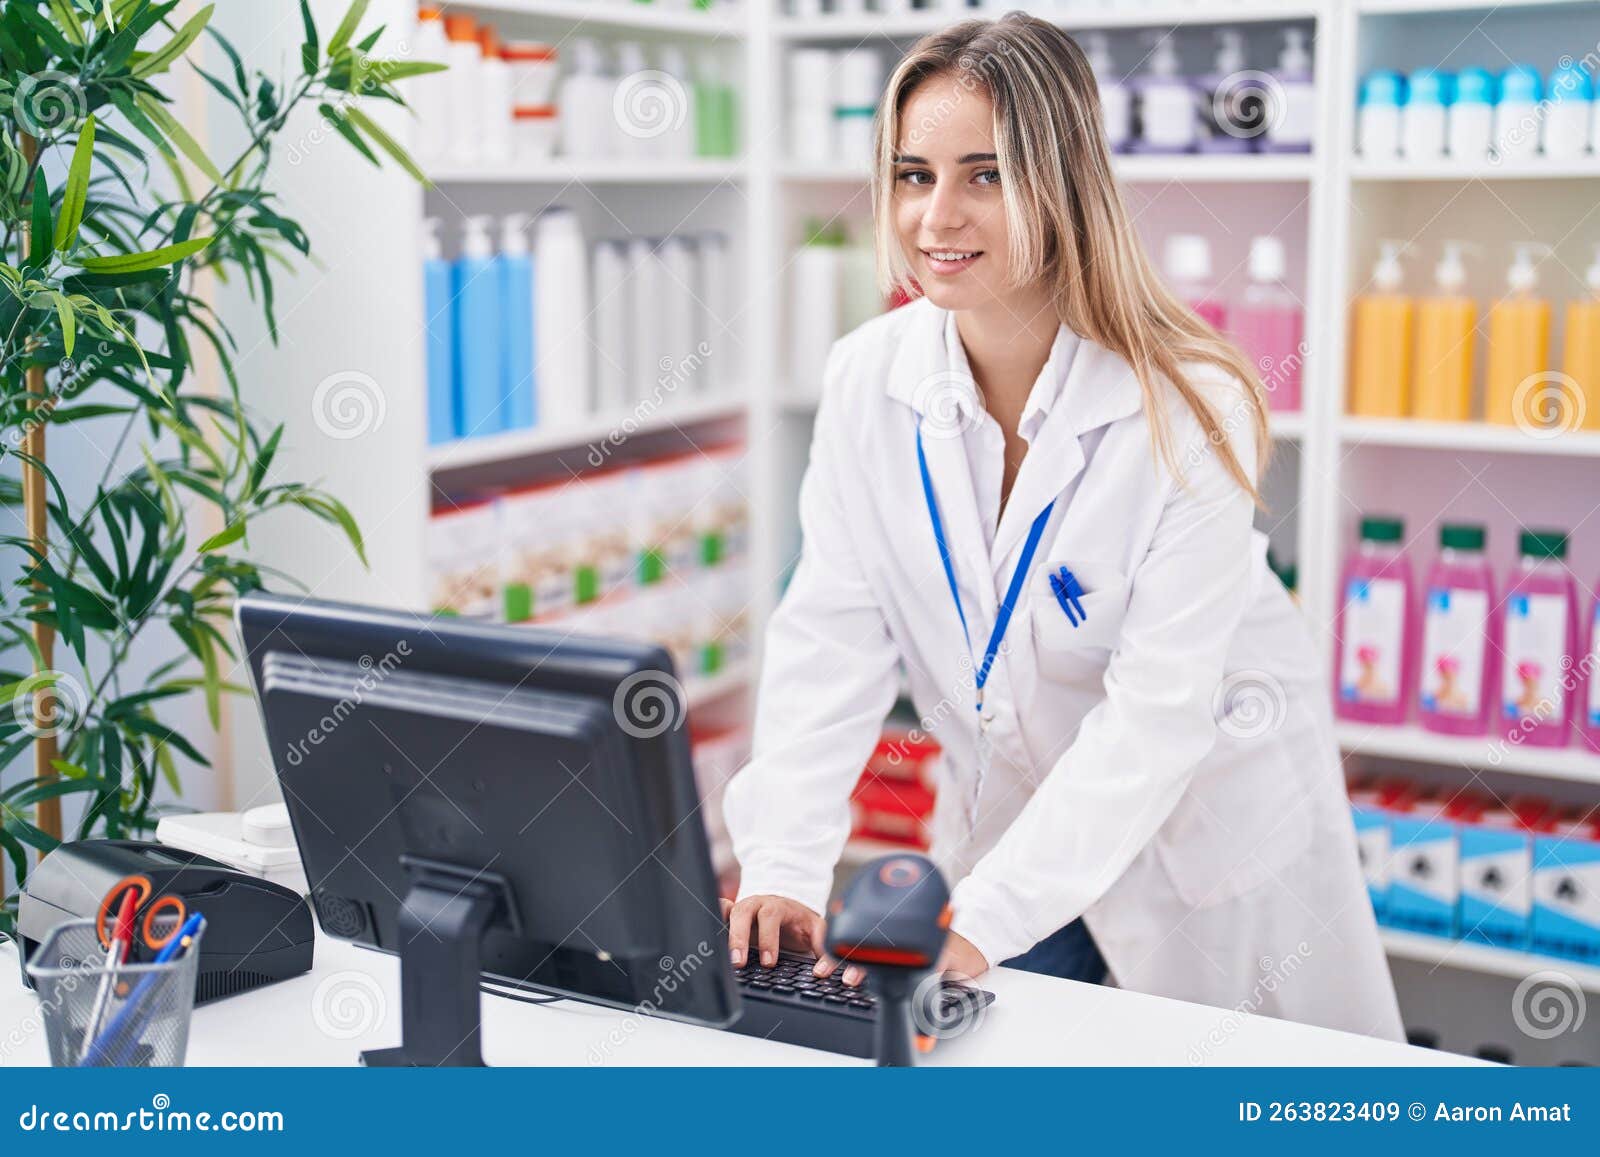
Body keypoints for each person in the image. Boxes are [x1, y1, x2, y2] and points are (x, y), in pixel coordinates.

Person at [722, 13, 1403, 1041]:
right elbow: (829, 638)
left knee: (1238, 1093)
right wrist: (781, 859)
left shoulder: (1190, 401)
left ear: (1063, 185)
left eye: (984, 176)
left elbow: (1155, 717)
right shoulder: (867, 377)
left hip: (1195, 823)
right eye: (911, 174)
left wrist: (980, 920)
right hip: (1017, 825)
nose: (933, 216)